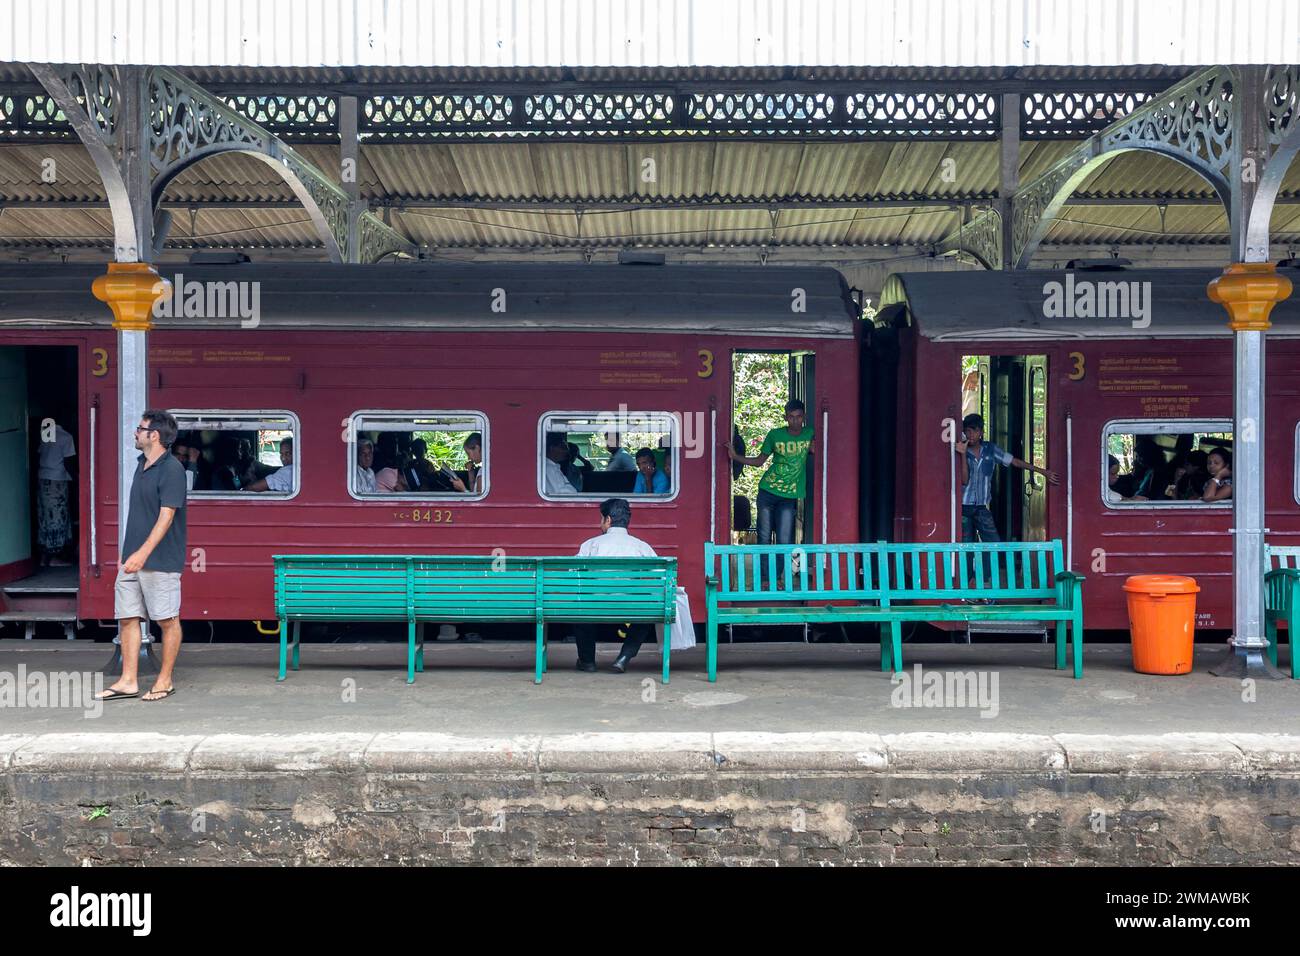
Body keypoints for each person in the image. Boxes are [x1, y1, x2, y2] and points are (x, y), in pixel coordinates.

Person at [96, 409, 187, 703]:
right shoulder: (141, 464)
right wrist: (131, 556)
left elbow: (166, 517)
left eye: (140, 428)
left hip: (158, 561)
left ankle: (165, 680)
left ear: (154, 435)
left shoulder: (172, 470)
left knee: (167, 620)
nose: (135, 432)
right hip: (132, 559)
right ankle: (128, 681)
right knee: (127, 617)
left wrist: (142, 553)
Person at [725, 399, 815, 583]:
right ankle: (766, 580)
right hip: (767, 492)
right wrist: (735, 457)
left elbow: (817, 449)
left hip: (789, 496)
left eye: (798, 417)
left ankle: (778, 579)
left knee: (784, 540)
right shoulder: (775, 435)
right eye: (791, 417)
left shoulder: (810, 434)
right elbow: (759, 461)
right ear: (785, 418)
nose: (795, 421)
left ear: (803, 417)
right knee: (764, 538)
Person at [571, 497, 658, 673]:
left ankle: (587, 661)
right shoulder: (641, 546)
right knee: (650, 608)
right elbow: (659, 576)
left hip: (595, 606)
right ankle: (624, 657)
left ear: (608, 520)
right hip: (630, 607)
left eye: (601, 519)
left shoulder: (590, 545)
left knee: (579, 606)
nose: (600, 524)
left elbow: (573, 573)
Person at [956, 411, 1058, 547]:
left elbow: (1014, 461)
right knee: (966, 546)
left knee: (993, 546)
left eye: (975, 431)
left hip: (981, 507)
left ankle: (989, 569)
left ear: (981, 432)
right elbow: (964, 480)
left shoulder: (990, 450)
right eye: (967, 431)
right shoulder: (960, 451)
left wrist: (1043, 472)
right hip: (964, 507)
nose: (971, 435)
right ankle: (967, 569)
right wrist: (962, 455)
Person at [36, 418, 77, 566]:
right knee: (57, 518)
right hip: (57, 481)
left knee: (44, 518)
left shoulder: (46, 433)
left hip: (42, 479)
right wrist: (79, 480)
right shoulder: (66, 437)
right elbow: (68, 462)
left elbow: (39, 455)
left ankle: (44, 557)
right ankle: (54, 558)